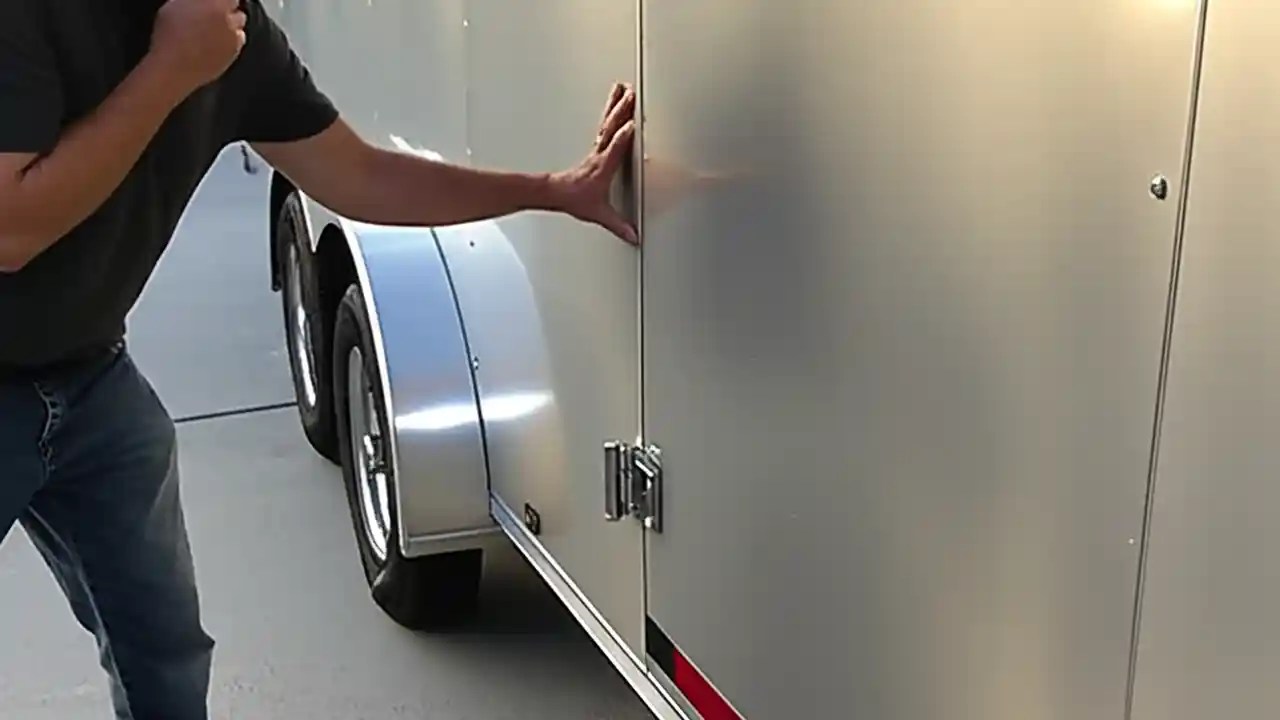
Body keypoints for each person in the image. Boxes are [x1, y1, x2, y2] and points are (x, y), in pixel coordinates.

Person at [0, 0, 638, 717]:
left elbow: (358, 176)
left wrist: (550, 191)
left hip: (90, 377)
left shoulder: (230, 32)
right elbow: (10, 230)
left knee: (163, 648)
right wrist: (171, 69)